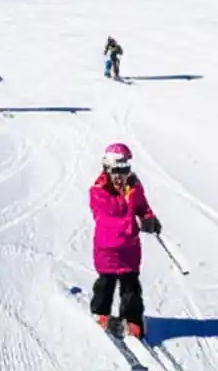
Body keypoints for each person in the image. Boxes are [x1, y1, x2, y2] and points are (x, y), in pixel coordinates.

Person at [90, 143, 161, 338]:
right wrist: (134, 223)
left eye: (124, 171)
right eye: (115, 172)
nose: (119, 177)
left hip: (129, 250)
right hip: (108, 250)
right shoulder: (98, 192)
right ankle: (100, 314)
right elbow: (107, 219)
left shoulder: (134, 187)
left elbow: (142, 207)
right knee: (105, 285)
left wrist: (149, 218)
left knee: (131, 288)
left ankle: (132, 320)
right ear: (106, 170)